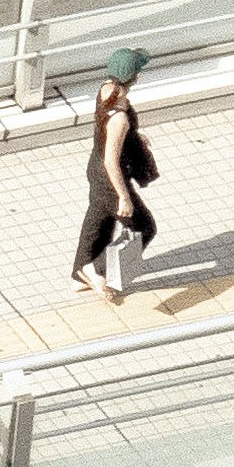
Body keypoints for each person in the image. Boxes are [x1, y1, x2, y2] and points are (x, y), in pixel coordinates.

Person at [75, 61, 159, 301]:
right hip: (109, 177)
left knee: (98, 221)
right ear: (136, 78)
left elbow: (107, 136)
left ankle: (79, 277)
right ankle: (96, 270)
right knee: (144, 227)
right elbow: (111, 161)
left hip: (95, 168)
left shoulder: (105, 89)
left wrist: (133, 136)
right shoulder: (119, 117)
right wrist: (123, 196)